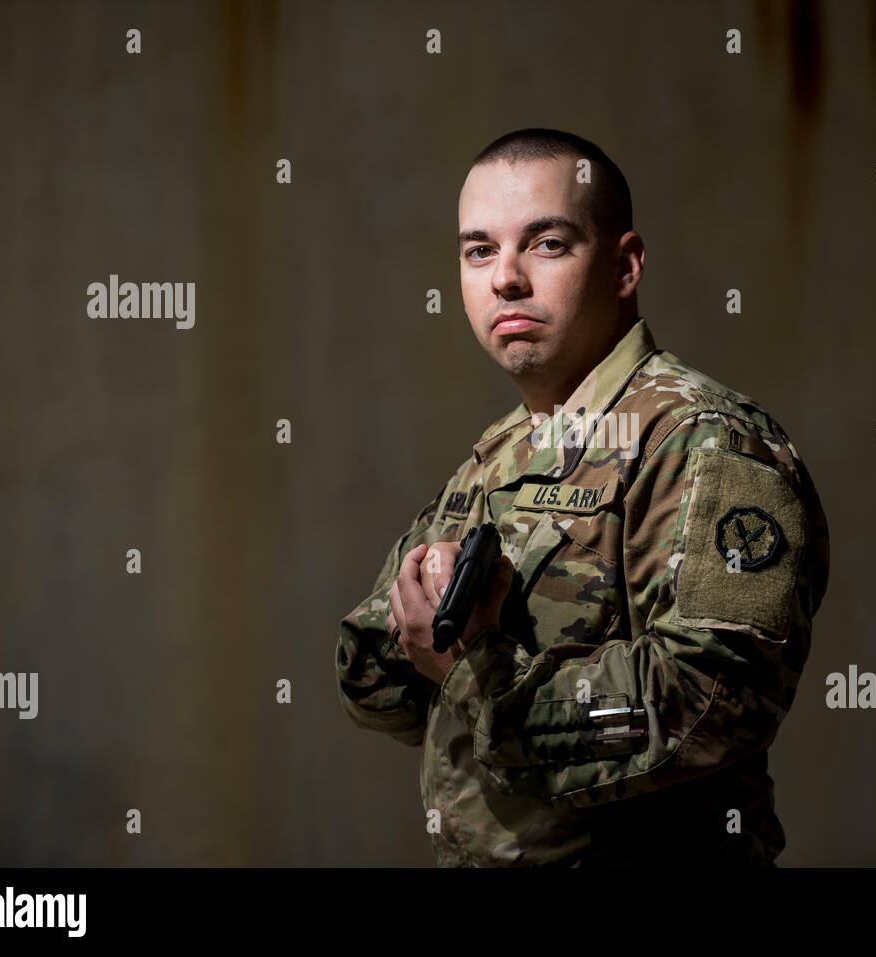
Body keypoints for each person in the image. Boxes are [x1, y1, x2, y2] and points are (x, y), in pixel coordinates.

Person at [336, 128, 829, 866]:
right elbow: (374, 684)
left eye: (546, 244)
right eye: (479, 250)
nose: (505, 277)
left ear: (625, 266)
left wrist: (475, 670)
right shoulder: (503, 451)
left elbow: (711, 701)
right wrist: (418, 617)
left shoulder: (706, 441)